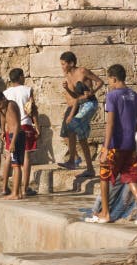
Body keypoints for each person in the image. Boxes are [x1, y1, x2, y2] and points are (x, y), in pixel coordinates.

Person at [86, 64, 137, 225]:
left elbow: (110, 123)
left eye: (109, 80)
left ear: (114, 78)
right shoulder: (135, 95)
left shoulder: (112, 96)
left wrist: (105, 148)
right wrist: (130, 131)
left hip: (114, 145)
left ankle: (105, 213)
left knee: (104, 177)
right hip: (130, 146)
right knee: (131, 178)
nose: (109, 83)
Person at [58, 51, 104, 179]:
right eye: (61, 64)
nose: (62, 67)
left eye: (64, 64)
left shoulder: (82, 71)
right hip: (81, 105)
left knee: (72, 125)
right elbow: (76, 97)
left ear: (71, 63)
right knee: (82, 139)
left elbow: (100, 82)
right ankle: (90, 169)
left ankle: (72, 160)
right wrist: (67, 89)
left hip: (90, 104)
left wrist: (93, 91)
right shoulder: (68, 76)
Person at [3, 68, 39, 197]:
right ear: (20, 77)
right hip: (25, 125)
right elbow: (32, 109)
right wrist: (37, 127)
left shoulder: (5, 93)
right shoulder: (27, 90)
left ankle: (4, 187)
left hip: (11, 128)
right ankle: (25, 188)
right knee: (27, 156)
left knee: (9, 156)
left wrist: (4, 129)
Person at [0, 91, 25, 199]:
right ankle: (18, 193)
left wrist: (13, 142)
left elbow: (16, 125)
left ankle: (15, 193)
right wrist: (1, 112)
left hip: (16, 136)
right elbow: (7, 120)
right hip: (13, 135)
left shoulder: (10, 106)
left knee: (16, 166)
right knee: (16, 165)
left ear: (4, 99)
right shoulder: (7, 106)